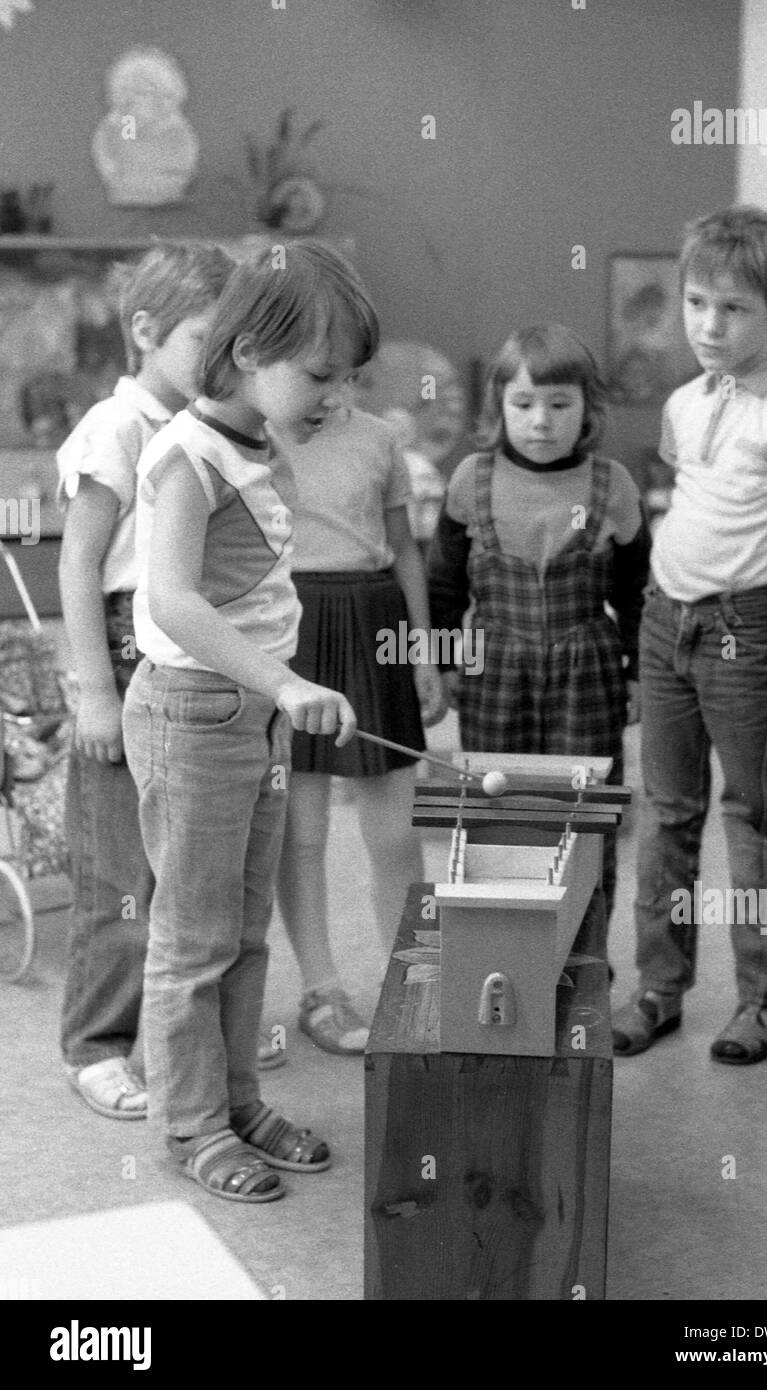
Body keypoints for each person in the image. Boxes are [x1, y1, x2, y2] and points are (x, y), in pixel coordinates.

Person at [122, 240, 374, 1202]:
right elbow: (175, 603)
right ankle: (189, 1126)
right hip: (196, 713)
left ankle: (232, 1100)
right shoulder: (185, 455)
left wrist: (275, 694)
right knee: (192, 939)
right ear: (243, 350)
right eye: (317, 374)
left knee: (245, 932)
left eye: (344, 379)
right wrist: (286, 683)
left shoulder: (254, 447)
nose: (334, 398)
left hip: (249, 715)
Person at [613, 205, 767, 1065]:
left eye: (735, 309)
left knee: (750, 816)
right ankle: (658, 988)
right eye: (697, 303)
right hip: (662, 618)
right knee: (667, 814)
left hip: (742, 632)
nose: (710, 326)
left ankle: (762, 1000)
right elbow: (695, 499)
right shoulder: (683, 401)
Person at [58, 240, 233, 1120]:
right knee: (119, 873)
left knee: (180, 868)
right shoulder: (115, 427)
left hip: (187, 659)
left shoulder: (207, 430)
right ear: (145, 331)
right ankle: (96, 1044)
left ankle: (170, 1036)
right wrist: (93, 687)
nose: (226, 357)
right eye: (208, 338)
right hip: (124, 656)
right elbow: (79, 565)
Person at [427, 323, 649, 924]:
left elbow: (637, 594)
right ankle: (503, 940)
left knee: (585, 811)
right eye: (523, 404)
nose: (541, 421)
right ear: (499, 406)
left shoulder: (614, 485)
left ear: (587, 409)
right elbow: (442, 586)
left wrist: (638, 675)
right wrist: (443, 664)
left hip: (589, 671)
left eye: (560, 404)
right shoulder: (471, 479)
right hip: (493, 666)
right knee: (496, 805)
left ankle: (585, 949)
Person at [257, 399, 446, 1066]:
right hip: (290, 624)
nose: (328, 384)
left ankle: (415, 982)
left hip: (375, 620)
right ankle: (322, 990)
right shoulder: (253, 429)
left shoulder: (379, 436)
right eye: (315, 369)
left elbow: (404, 549)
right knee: (301, 831)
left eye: (343, 370)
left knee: (395, 832)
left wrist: (422, 650)